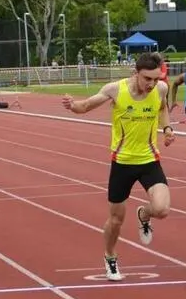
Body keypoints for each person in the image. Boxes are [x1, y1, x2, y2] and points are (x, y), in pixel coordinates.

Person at [61, 52, 176, 282]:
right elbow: (86, 106)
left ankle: (144, 214)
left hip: (149, 160)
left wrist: (167, 129)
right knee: (116, 220)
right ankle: (110, 256)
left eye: (155, 79)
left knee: (162, 209)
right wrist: (72, 105)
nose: (152, 84)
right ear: (136, 74)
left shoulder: (161, 89)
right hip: (122, 163)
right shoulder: (116, 89)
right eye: (147, 79)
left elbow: (163, 108)